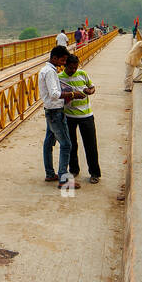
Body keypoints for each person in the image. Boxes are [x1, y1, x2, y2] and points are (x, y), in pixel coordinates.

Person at [39, 45, 80, 187]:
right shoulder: (50, 72)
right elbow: (55, 94)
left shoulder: (47, 70)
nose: (64, 63)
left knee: (48, 143)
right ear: (54, 58)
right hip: (55, 112)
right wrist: (73, 94)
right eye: (62, 60)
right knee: (66, 144)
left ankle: (50, 174)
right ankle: (64, 179)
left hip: (50, 110)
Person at [60, 53, 100, 184]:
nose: (73, 70)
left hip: (86, 115)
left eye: (75, 68)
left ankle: (94, 172)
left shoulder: (82, 74)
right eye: (71, 68)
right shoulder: (59, 78)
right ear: (65, 66)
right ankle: (74, 169)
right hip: (69, 116)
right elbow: (57, 95)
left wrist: (90, 91)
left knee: (90, 145)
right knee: (71, 144)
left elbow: (92, 87)